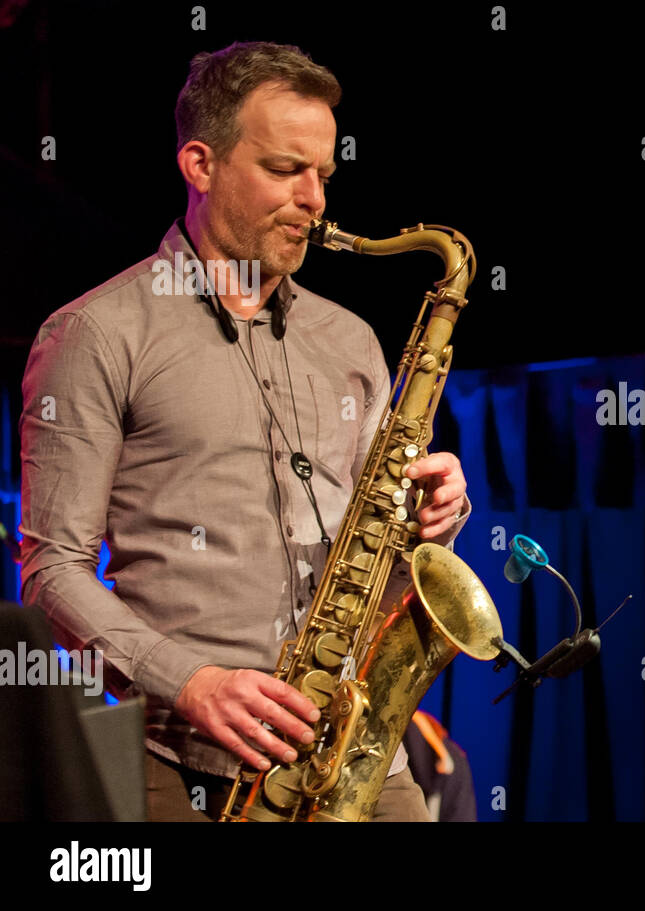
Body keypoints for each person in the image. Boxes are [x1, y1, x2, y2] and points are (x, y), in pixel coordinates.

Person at [19, 41, 472, 821]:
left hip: (354, 751)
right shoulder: (95, 333)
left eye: (323, 175)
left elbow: (381, 567)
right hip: (181, 761)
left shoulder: (355, 343)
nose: (314, 200)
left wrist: (431, 522)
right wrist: (192, 681)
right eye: (283, 169)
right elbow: (50, 569)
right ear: (199, 164)